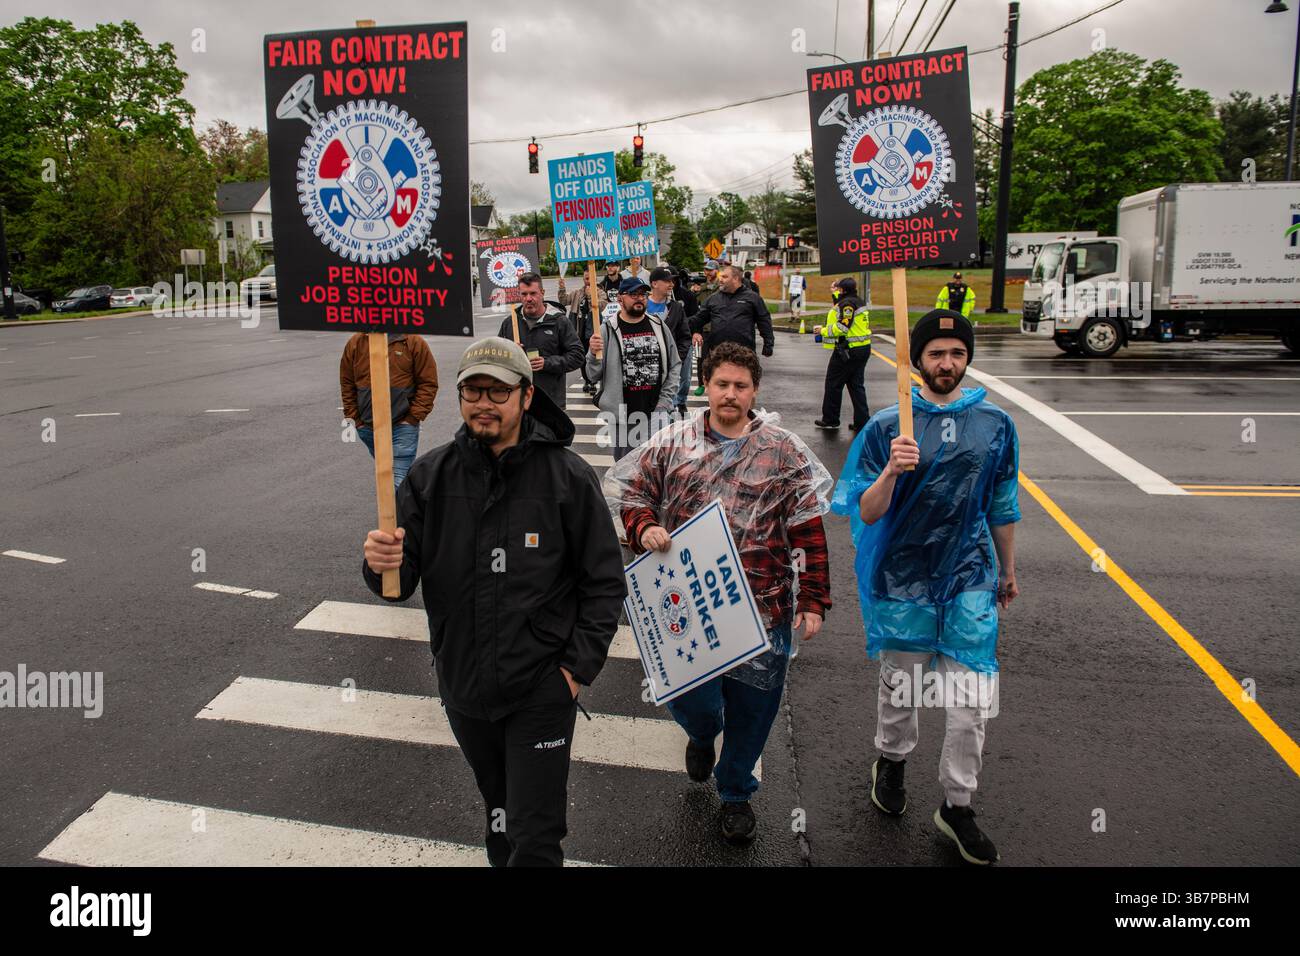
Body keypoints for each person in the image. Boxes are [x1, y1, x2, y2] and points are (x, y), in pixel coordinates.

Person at [361, 337, 626, 867]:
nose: (484, 402)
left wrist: (574, 671)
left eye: (498, 392)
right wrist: (379, 561)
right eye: (472, 391)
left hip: (540, 689)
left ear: (526, 397)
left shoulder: (568, 477)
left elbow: (604, 583)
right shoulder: (430, 477)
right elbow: (399, 581)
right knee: (500, 814)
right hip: (464, 687)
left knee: (536, 833)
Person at [606, 342, 832, 846]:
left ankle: (735, 793)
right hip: (689, 606)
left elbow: (807, 527)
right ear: (704, 386)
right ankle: (702, 733)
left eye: (742, 386)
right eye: (722, 384)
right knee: (696, 699)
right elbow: (634, 492)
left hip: (763, 606)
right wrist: (643, 527)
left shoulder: (782, 449)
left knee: (754, 710)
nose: (731, 394)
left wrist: (815, 598)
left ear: (755, 390)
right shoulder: (672, 443)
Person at [830, 309, 1021, 866]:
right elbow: (862, 509)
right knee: (903, 687)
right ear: (916, 359)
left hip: (971, 578)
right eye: (935, 353)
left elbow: (1003, 504)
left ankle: (958, 805)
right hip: (903, 576)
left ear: (968, 358)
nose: (946, 362)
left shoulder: (996, 426)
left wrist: (1008, 568)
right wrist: (891, 470)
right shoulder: (889, 427)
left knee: (972, 703)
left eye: (956, 352)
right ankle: (890, 759)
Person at [585, 276, 681, 461]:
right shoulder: (606, 330)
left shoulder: (659, 326)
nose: (639, 298)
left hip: (655, 413)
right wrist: (593, 353)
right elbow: (592, 375)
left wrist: (665, 401)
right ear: (620, 298)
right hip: (622, 418)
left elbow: (674, 363)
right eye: (633, 294)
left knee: (655, 468)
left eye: (643, 294)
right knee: (625, 471)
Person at [340, 331, 439, 489]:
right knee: (387, 473)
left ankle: (400, 511)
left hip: (403, 425)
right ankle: (413, 503)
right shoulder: (356, 343)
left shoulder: (413, 341)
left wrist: (413, 417)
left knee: (397, 482)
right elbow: (347, 383)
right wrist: (355, 419)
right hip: (368, 426)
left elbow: (428, 382)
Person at [497, 272, 584, 410]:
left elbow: (578, 356)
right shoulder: (509, 324)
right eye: (524, 294)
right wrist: (509, 353)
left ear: (542, 293)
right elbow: (497, 360)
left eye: (533, 293)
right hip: (517, 403)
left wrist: (547, 363)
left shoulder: (559, 322)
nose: (528, 298)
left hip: (550, 403)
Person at [814, 276, 872, 431]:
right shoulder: (857, 301)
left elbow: (843, 326)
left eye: (838, 289)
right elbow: (840, 311)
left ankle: (831, 419)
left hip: (848, 350)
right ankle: (862, 421)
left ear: (843, 290)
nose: (837, 291)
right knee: (856, 386)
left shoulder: (847, 304)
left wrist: (823, 331)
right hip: (863, 348)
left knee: (833, 384)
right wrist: (834, 294)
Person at [690, 264, 774, 368]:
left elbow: (764, 320)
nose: (720, 279)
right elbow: (698, 319)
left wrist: (768, 344)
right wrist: (685, 326)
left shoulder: (752, 298)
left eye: (725, 277)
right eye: (720, 276)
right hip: (718, 352)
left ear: (735, 278)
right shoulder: (713, 299)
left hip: (744, 352)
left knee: (742, 382)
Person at [645, 266, 692, 418]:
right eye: (666, 281)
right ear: (654, 284)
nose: (671, 284)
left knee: (667, 406)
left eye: (672, 281)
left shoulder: (676, 308)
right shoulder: (641, 306)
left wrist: (677, 358)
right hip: (646, 364)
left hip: (669, 366)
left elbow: (685, 336)